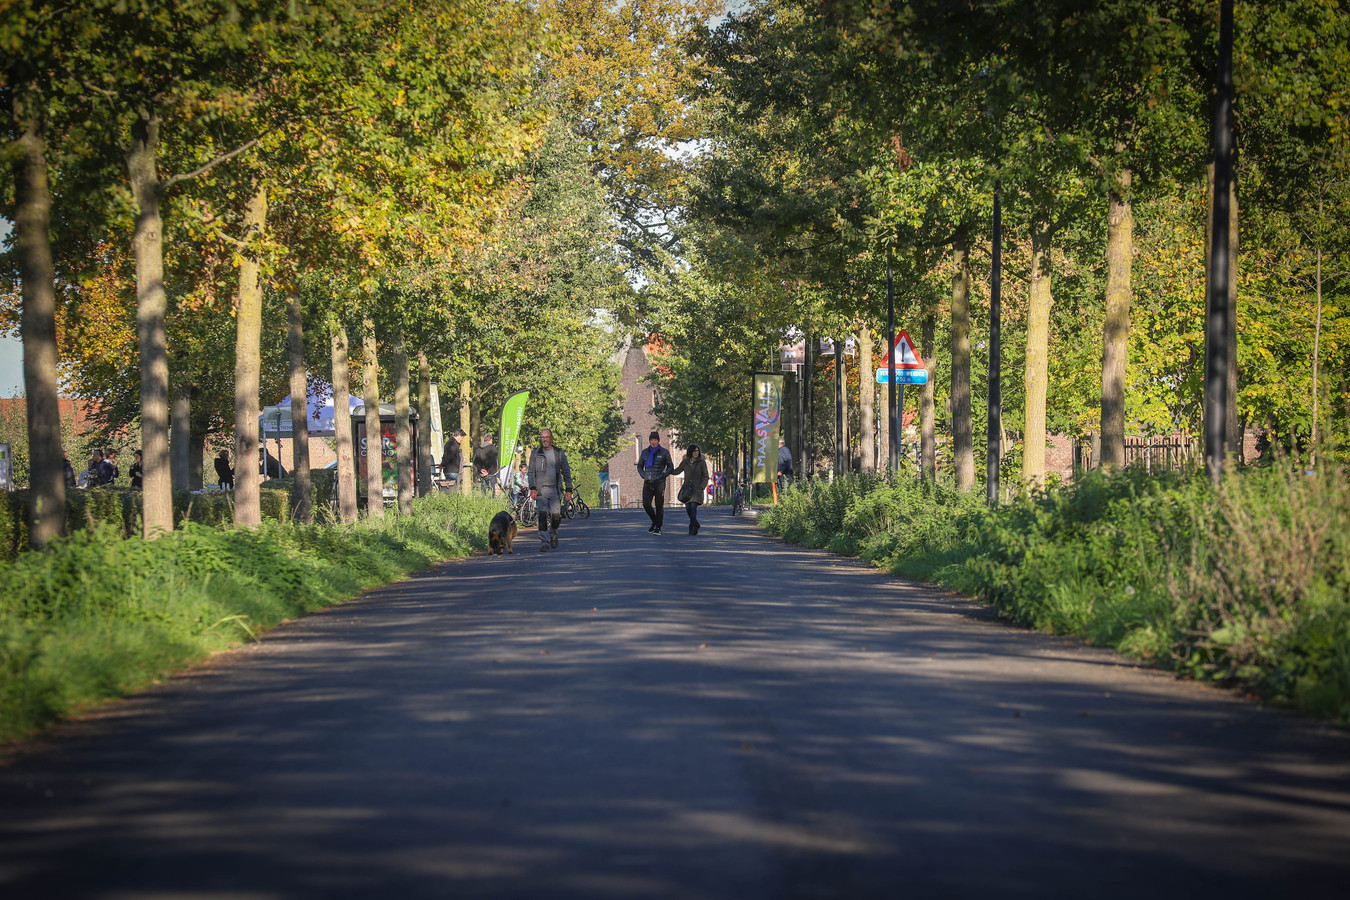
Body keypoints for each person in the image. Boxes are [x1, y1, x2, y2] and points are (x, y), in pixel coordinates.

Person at [528, 428, 573, 552]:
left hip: (555, 490)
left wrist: (569, 489)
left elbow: (566, 471)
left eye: (547, 437)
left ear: (551, 438)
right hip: (541, 491)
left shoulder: (559, 453)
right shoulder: (535, 454)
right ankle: (544, 542)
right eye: (542, 437)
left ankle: (553, 532)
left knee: (556, 516)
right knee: (542, 516)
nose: (544, 439)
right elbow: (531, 472)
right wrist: (532, 488)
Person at [637, 430, 674, 534]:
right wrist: (643, 474)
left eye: (655, 440)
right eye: (652, 440)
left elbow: (670, 466)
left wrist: (663, 475)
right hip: (648, 481)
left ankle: (658, 527)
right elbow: (639, 466)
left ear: (658, 441)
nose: (653, 442)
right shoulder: (644, 452)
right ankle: (654, 521)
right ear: (649, 441)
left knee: (659, 505)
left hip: (659, 482)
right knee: (646, 504)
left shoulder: (664, 452)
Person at [672, 444, 710, 535]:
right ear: (690, 452)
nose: (696, 453)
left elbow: (705, 476)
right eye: (694, 451)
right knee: (688, 508)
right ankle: (695, 523)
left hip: (697, 490)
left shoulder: (701, 462)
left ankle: (692, 527)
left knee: (693, 507)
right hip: (687, 490)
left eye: (697, 451)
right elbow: (677, 471)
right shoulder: (685, 462)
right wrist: (668, 470)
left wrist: (702, 486)